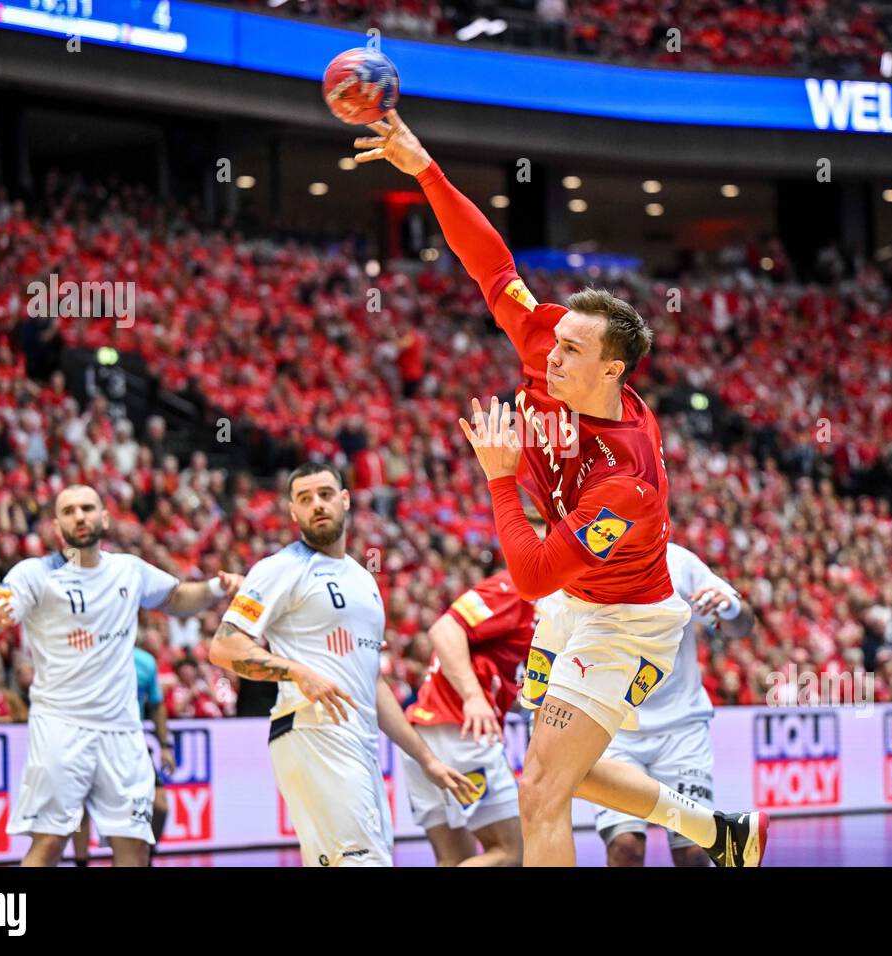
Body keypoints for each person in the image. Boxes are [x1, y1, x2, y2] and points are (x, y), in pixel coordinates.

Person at [356, 113, 767, 867]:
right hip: (569, 605)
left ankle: (714, 831)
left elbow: (533, 573)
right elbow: (489, 266)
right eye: (556, 336)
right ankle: (721, 830)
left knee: (542, 790)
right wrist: (425, 171)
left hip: (623, 617)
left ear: (612, 371)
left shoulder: (626, 479)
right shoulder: (549, 343)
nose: (550, 351)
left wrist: (502, 478)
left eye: (572, 348)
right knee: (555, 775)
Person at [209, 461, 476, 867]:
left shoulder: (363, 579)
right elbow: (224, 647)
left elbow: (372, 681)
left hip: (358, 741)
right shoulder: (280, 568)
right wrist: (297, 671)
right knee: (363, 861)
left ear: (345, 501)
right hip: (311, 729)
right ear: (292, 513)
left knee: (351, 860)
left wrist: (427, 759)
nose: (317, 505)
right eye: (305, 499)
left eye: (325, 494)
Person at [0, 484, 243, 867]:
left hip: (123, 731)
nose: (80, 516)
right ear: (56, 525)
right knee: (49, 843)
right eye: (69, 511)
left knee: (134, 848)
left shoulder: (128, 570)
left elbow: (178, 599)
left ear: (105, 517)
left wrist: (218, 586)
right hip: (61, 727)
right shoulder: (33, 575)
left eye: (87, 508)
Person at [597, 542, 754, 867]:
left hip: (681, 728)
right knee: (625, 846)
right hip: (614, 728)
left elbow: (743, 626)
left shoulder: (678, 561)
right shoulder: (588, 557)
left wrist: (730, 610)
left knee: (694, 851)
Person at [402, 551, 543, 866]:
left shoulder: (542, 610)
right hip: (461, 729)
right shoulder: (513, 588)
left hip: (425, 735)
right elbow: (443, 630)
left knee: (454, 859)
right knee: (510, 853)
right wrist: (473, 697)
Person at [71, 637, 175, 866]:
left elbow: (156, 704)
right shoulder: (88, 656)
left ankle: (147, 855)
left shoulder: (145, 662)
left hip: (131, 742)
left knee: (160, 806)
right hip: (87, 739)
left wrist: (165, 746)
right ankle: (80, 861)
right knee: (79, 806)